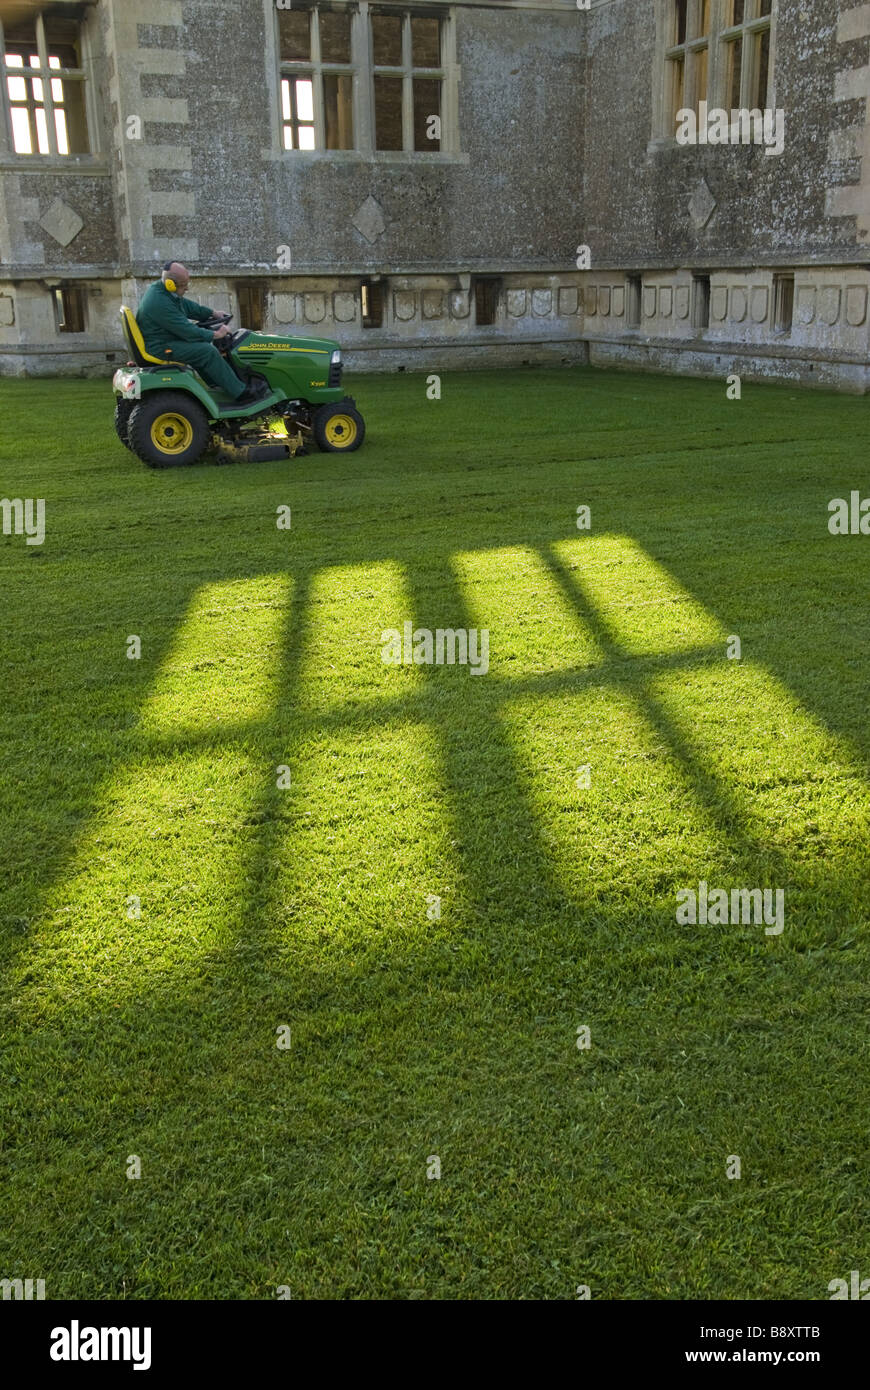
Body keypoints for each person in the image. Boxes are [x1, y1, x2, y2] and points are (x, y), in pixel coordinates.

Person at [136, 262, 269, 405]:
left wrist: (212, 313)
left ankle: (218, 384)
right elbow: (187, 331)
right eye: (183, 284)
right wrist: (216, 335)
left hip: (162, 340)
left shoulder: (163, 292)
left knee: (200, 347)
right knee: (207, 351)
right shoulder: (160, 303)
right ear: (170, 284)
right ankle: (242, 393)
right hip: (159, 347)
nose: (187, 288)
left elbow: (186, 305)